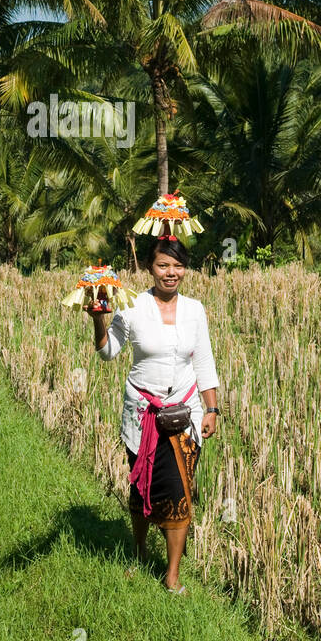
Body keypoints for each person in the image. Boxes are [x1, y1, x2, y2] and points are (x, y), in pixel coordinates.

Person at [85, 236, 220, 593]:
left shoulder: (195, 310)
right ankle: (141, 549)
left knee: (178, 490)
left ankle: (172, 575)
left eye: (177, 266)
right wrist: (100, 320)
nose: (171, 273)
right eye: (163, 265)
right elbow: (108, 352)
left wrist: (212, 407)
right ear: (149, 268)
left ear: (185, 269)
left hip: (186, 412)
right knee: (141, 487)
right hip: (142, 414)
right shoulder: (131, 307)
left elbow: (203, 359)